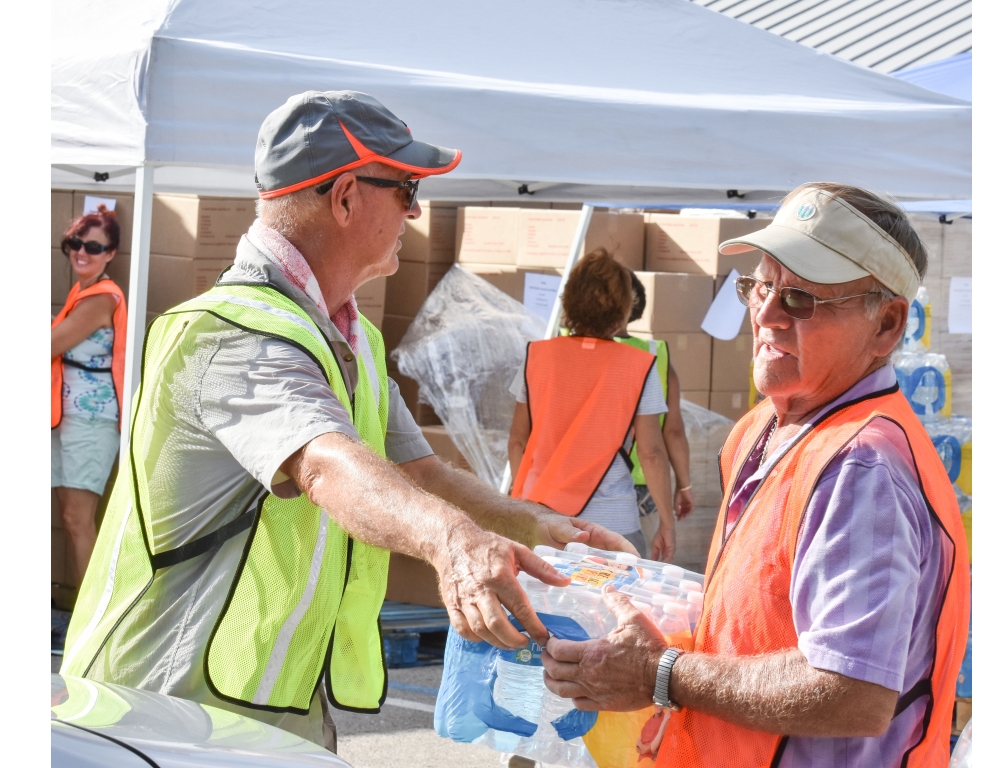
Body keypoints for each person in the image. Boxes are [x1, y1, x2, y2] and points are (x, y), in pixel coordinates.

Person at [60, 90, 632, 751]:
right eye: (408, 188)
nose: (417, 212)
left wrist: (536, 523)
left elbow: (420, 472)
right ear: (346, 197)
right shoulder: (229, 332)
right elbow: (327, 463)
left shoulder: (348, 336)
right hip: (162, 709)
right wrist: (453, 543)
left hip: (264, 708)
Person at [541, 183, 970, 767]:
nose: (766, 315)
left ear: (887, 326)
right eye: (760, 285)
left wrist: (661, 673)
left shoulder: (862, 466)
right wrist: (639, 580)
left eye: (801, 299)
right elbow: (763, 609)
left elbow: (852, 691)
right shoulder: (764, 427)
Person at [508, 249, 676, 561]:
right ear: (624, 307)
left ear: (569, 300)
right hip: (612, 524)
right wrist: (667, 523)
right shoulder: (639, 366)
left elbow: (518, 440)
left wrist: (522, 505)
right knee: (615, 607)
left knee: (540, 608)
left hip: (544, 516)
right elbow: (651, 454)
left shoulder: (537, 356)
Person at [51, 205, 127, 587]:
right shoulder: (82, 293)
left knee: (79, 521)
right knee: (69, 518)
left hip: (91, 421)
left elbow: (48, 346)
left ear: (110, 254)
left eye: (94, 247)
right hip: (67, 417)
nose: (82, 252)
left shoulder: (102, 298)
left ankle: (91, 627)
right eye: (76, 243)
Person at [615, 271, 695, 523]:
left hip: (565, 484)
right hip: (638, 483)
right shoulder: (654, 356)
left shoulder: (562, 348)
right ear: (634, 302)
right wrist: (683, 486)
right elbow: (673, 432)